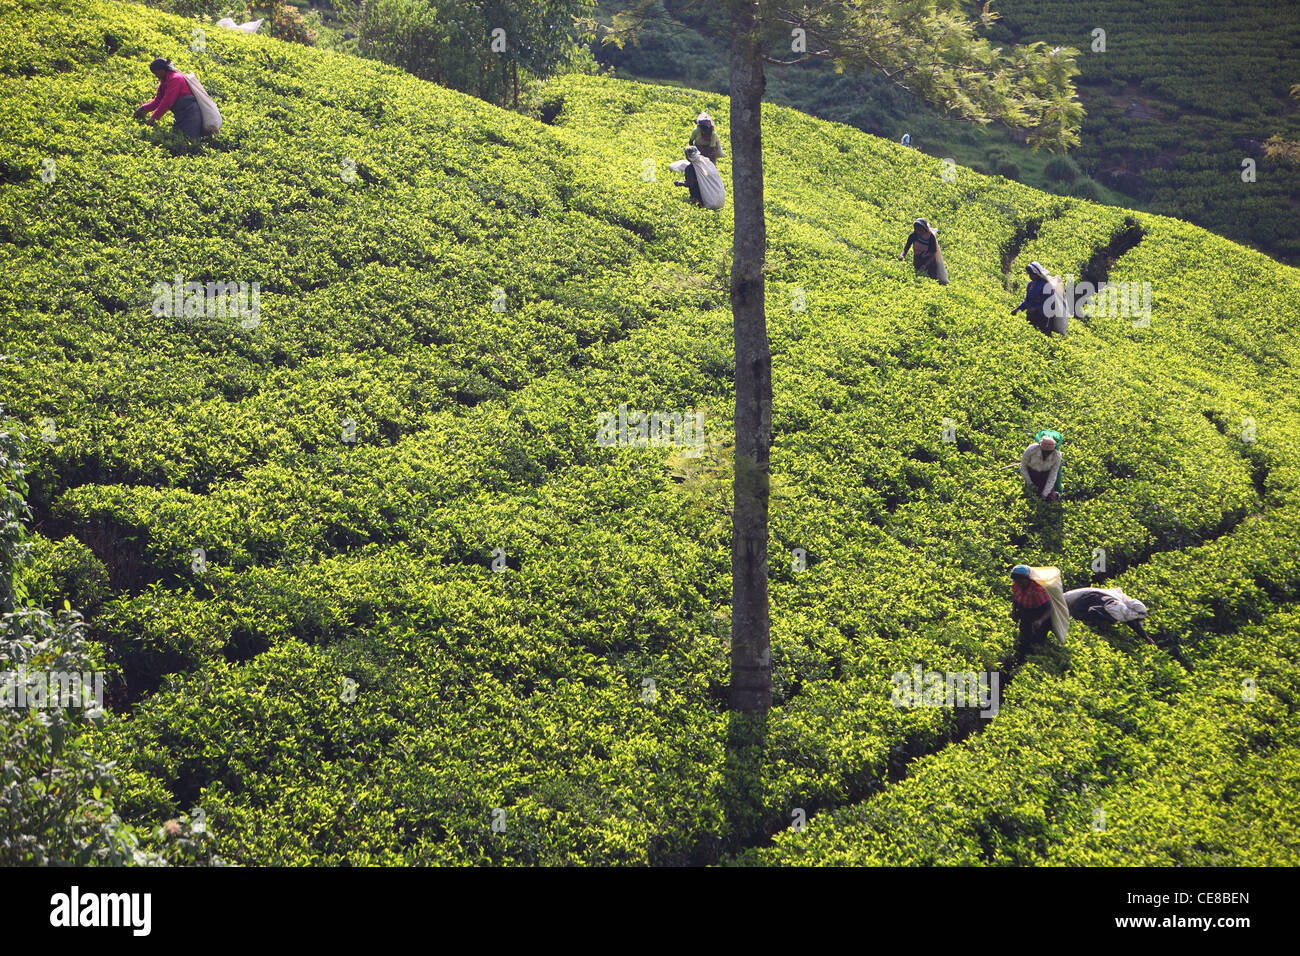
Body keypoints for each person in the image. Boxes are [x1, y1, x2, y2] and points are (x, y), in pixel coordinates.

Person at [1010, 565, 1069, 662]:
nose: (1018, 582)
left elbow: (1050, 608)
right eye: (1016, 580)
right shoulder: (1016, 586)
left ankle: (1035, 659)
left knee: (1038, 638)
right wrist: (1014, 610)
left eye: (1021, 580)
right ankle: (1021, 657)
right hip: (1025, 611)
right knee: (1024, 636)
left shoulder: (1037, 590)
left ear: (1027, 579)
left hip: (1039, 613)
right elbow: (1016, 598)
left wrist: (1040, 621)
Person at [133, 58, 201, 141]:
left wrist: (153, 118)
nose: (155, 75)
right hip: (180, 114)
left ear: (161, 70)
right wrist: (143, 109)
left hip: (190, 113)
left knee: (190, 139)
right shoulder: (165, 80)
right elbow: (157, 101)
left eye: (155, 73)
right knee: (178, 136)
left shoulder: (175, 79)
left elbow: (167, 102)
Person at [1065, 587, 1151, 642]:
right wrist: (1100, 627)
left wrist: (1146, 638)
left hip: (1092, 599)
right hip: (1087, 600)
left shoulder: (1125, 610)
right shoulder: (1117, 608)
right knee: (1071, 612)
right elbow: (1093, 610)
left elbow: (1133, 623)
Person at [1010, 261, 1060, 334]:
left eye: (1032, 274)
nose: (1030, 276)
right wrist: (1018, 308)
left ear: (1037, 274)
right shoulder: (1030, 284)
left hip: (1043, 319)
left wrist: (1036, 309)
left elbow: (1050, 303)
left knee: (1042, 336)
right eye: (1029, 274)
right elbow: (1027, 300)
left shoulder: (1046, 285)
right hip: (1031, 316)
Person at [671, 146, 725, 210]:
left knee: (695, 189)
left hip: (699, 195)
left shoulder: (690, 168)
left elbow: (689, 183)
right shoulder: (706, 162)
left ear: (687, 157)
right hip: (719, 199)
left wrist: (679, 183)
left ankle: (699, 204)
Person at [898, 218, 948, 284]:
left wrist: (925, 265)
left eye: (920, 230)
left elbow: (933, 253)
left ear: (924, 229)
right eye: (916, 230)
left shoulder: (930, 237)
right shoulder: (913, 236)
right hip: (918, 260)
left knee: (931, 280)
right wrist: (901, 255)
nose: (918, 232)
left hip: (929, 262)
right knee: (918, 279)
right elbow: (906, 248)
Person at [1020, 431, 1062, 501]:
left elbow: (1052, 476)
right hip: (1031, 474)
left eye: (1049, 452)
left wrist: (1044, 494)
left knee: (1050, 498)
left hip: (1045, 477)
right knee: (1029, 496)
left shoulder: (1057, 456)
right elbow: (1023, 467)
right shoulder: (1031, 449)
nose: (1046, 454)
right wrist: (1030, 483)